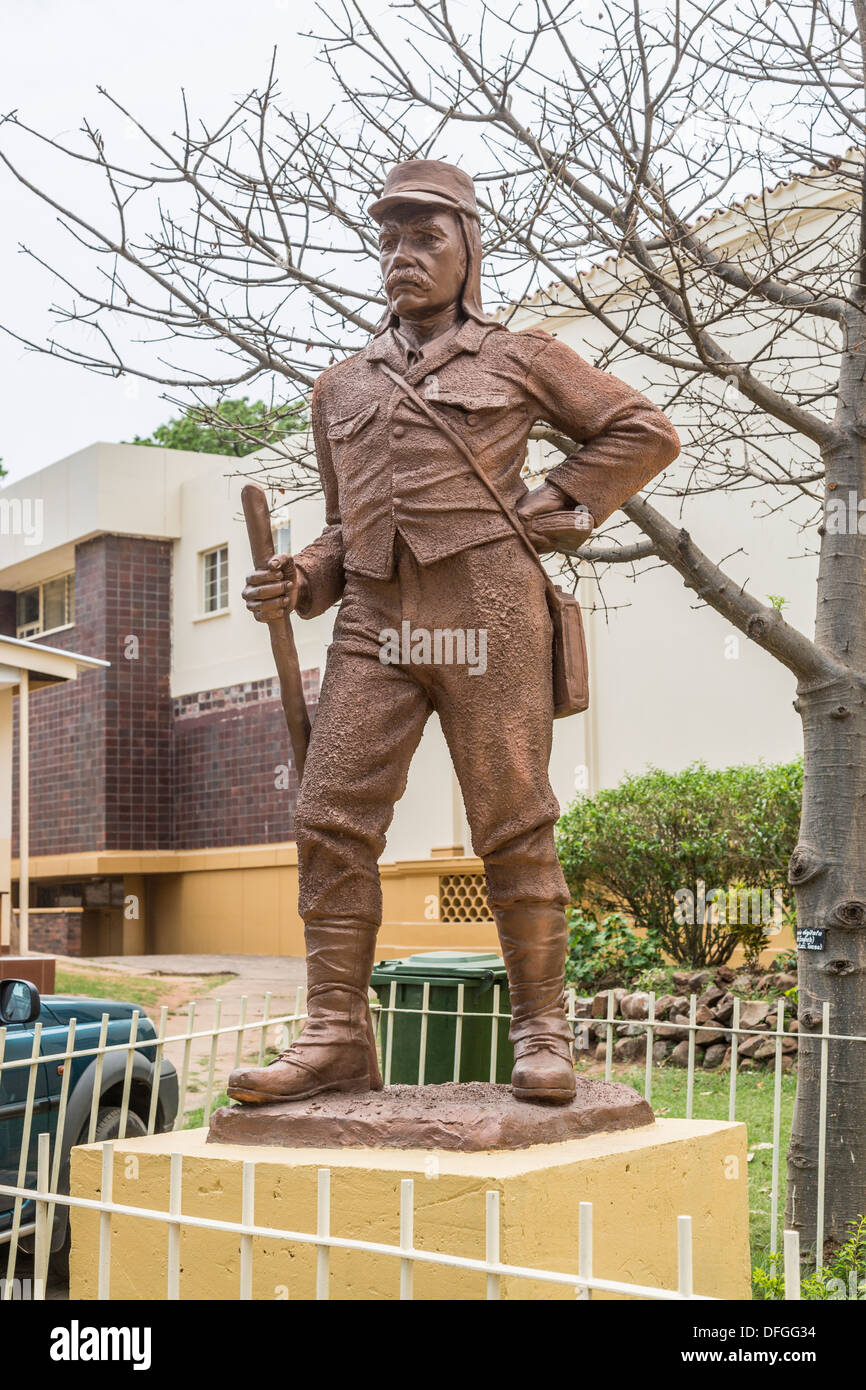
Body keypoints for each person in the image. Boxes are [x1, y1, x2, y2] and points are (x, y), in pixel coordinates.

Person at [228, 160, 679, 1107]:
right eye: (389, 241)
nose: (402, 257)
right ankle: (336, 1034)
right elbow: (348, 528)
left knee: (511, 818)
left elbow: (642, 428)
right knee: (327, 817)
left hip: (488, 604)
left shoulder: (522, 355)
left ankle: (544, 1034)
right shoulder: (340, 386)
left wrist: (567, 500)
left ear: (469, 248)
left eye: (425, 238)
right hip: (376, 618)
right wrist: (302, 576)